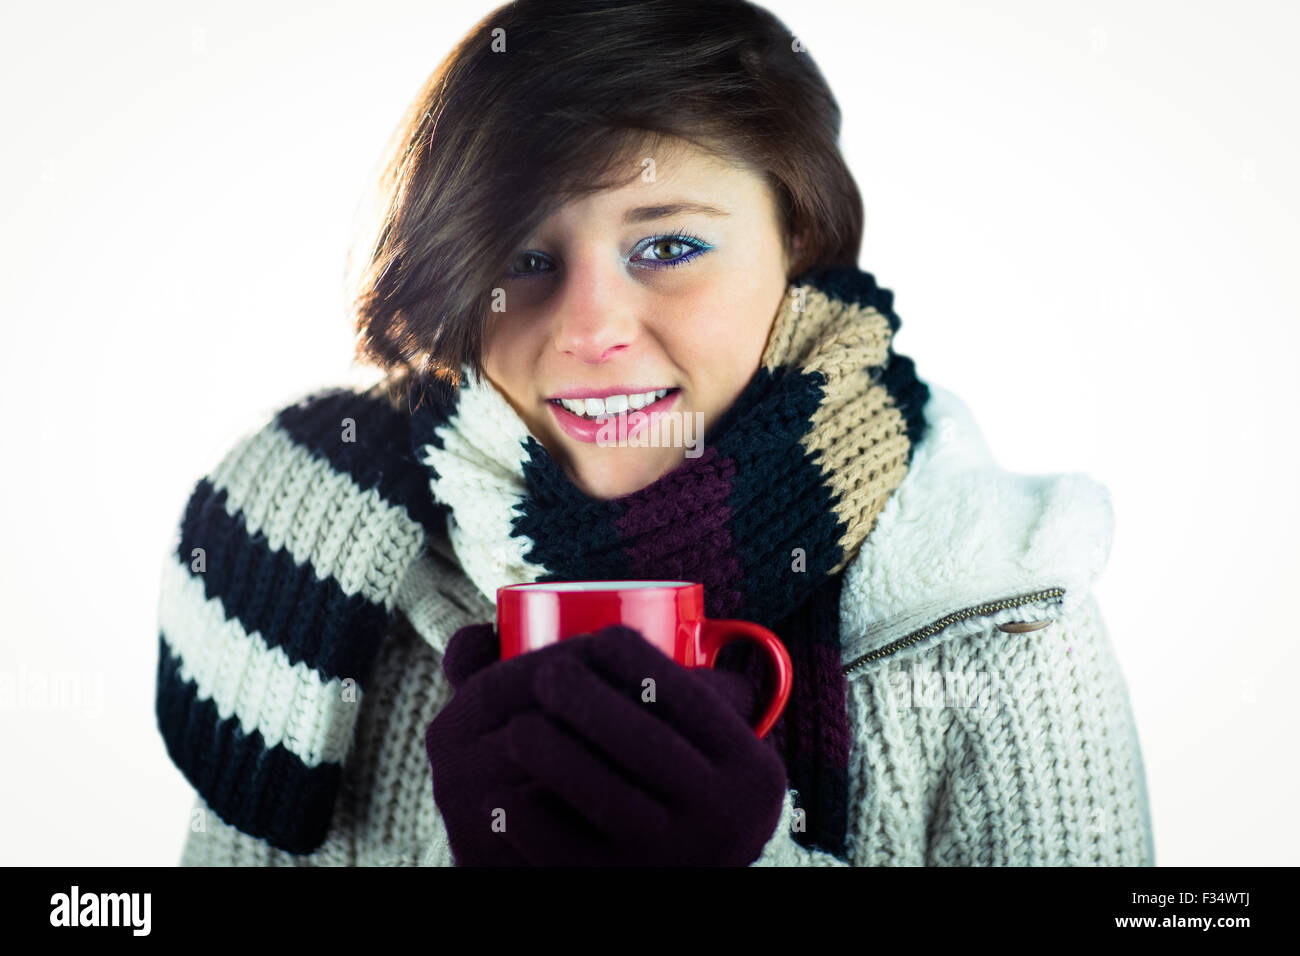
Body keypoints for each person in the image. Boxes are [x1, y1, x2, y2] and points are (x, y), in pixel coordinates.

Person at [155, 0, 1154, 866]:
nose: (590, 329)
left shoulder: (1003, 608)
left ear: (798, 238)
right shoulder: (310, 570)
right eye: (524, 258)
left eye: (667, 245)